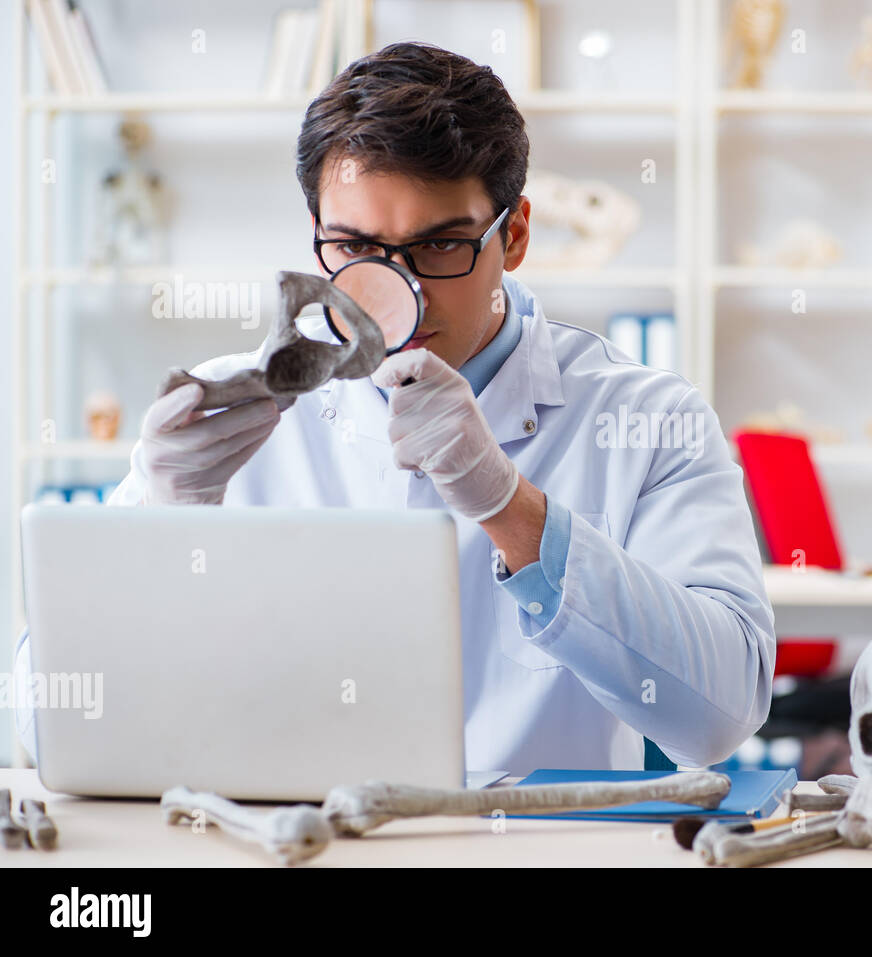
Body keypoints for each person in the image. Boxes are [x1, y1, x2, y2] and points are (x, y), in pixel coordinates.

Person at [13, 42, 775, 774]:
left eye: (439, 248)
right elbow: (42, 726)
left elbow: (724, 712)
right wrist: (161, 526)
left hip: (537, 841)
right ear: (317, 237)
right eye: (354, 248)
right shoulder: (221, 413)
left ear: (514, 235)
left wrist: (513, 510)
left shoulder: (646, 418)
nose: (397, 295)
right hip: (288, 837)